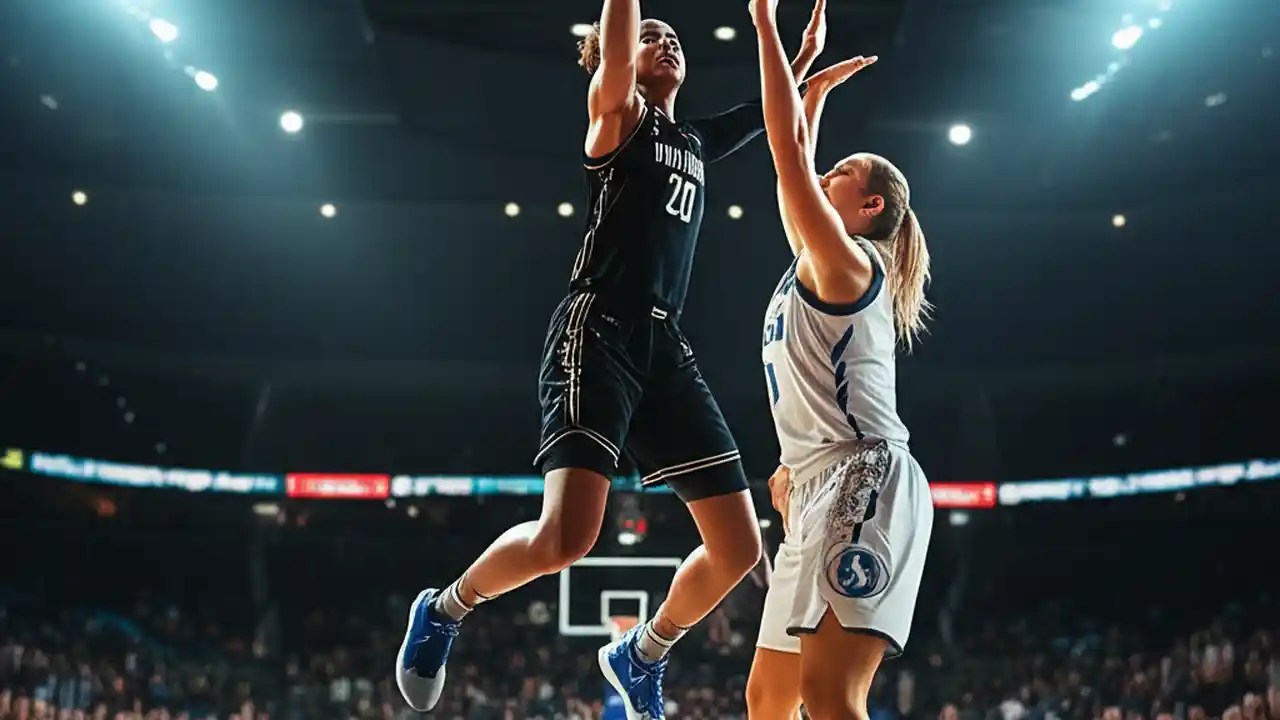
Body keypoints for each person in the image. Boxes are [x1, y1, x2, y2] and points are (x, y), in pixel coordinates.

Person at [395, 2, 823, 717]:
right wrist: (631, 24)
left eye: (674, 37)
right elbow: (620, 44)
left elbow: (761, 114)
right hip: (598, 327)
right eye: (651, 34)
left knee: (740, 548)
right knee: (568, 537)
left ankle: (642, 652)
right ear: (612, 62)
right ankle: (444, 608)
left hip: (664, 344)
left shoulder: (689, 138)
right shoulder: (618, 115)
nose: (667, 41)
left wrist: (798, 59)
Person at [744, 0, 936, 718]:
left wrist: (766, 27)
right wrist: (812, 95)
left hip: (865, 473)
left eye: (842, 174)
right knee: (768, 700)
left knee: (830, 697)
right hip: (816, 483)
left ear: (869, 206)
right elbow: (791, 171)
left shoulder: (853, 262)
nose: (826, 175)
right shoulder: (817, 261)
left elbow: (789, 161)